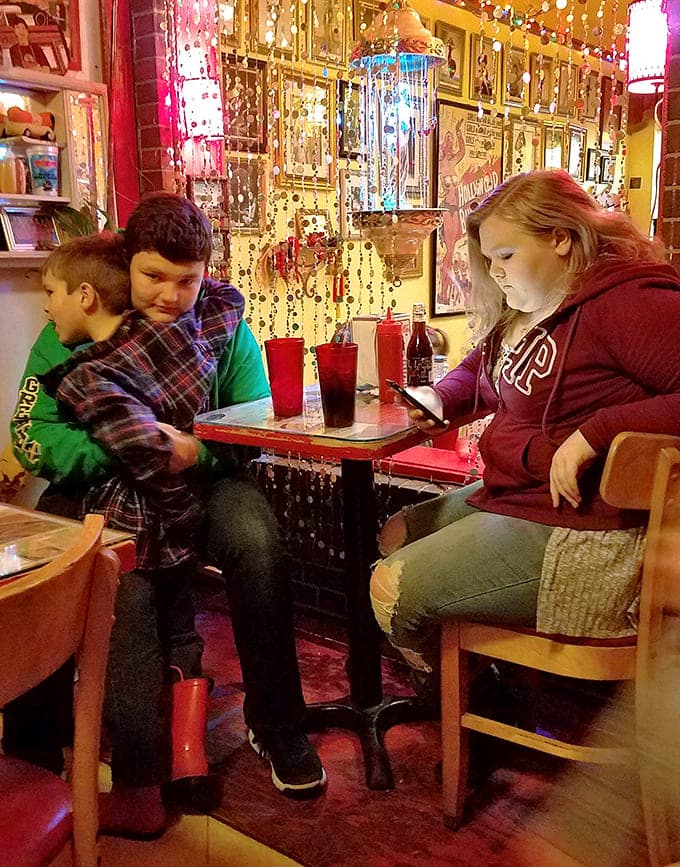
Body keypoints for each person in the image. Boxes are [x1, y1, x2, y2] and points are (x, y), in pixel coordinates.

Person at [8, 193, 326, 838]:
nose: (171, 295)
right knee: (58, 556)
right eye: (153, 276)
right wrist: (127, 451)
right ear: (126, 263)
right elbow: (32, 433)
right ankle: (34, 747)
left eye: (188, 280)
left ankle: (278, 726)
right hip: (103, 481)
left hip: (203, 480)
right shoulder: (82, 311)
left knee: (257, 541)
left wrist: (192, 453)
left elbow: (251, 428)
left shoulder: (223, 323)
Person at [369, 169, 680, 682]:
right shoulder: (534, 307)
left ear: (561, 238)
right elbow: (482, 369)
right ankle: (474, 677)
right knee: (394, 534)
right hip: (520, 496)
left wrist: (597, 432)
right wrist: (439, 397)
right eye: (489, 259)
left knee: (391, 589)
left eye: (507, 256)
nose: (495, 273)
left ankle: (463, 689)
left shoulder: (627, 302)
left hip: (579, 528)